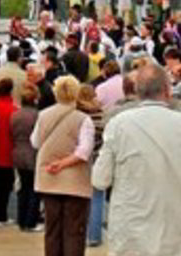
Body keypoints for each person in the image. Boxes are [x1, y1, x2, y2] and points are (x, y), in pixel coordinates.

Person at [93, 64, 181, 256]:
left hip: (133, 238)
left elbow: (99, 179)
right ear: (168, 91)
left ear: (137, 92)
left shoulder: (118, 125)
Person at [30, 75, 93, 256]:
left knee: (52, 229)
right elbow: (84, 151)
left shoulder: (43, 115)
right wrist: (63, 163)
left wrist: (55, 162)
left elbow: (35, 142)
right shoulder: (83, 119)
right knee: (74, 230)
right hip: (75, 182)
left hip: (48, 178)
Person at [76, 84, 106, 248]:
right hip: (98, 158)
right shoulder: (101, 114)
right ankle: (94, 235)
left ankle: (80, 232)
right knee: (97, 197)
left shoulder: (78, 116)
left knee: (79, 198)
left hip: (80, 160)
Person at [10, 83, 41, 232]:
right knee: (34, 188)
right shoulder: (37, 116)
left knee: (23, 187)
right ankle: (31, 221)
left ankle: (21, 219)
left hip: (18, 151)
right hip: (32, 152)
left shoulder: (15, 115)